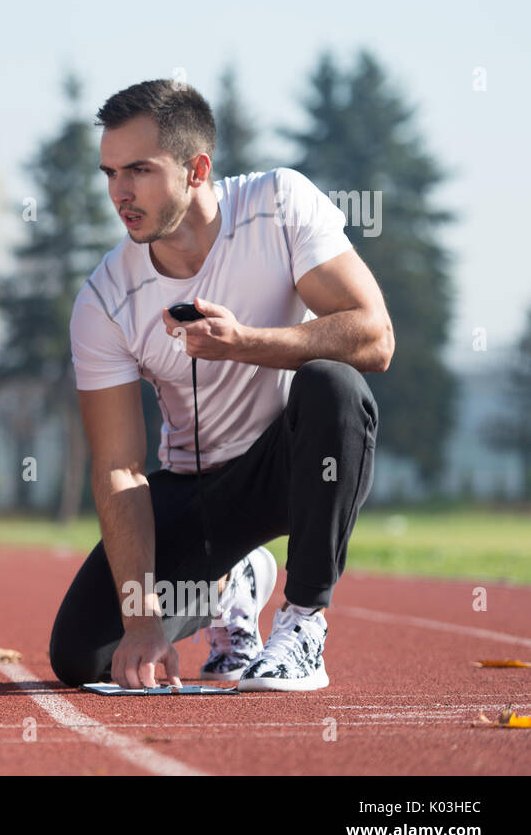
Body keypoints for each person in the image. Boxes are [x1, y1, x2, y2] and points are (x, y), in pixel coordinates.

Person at [50, 79, 392, 692]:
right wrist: (143, 621)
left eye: (139, 171)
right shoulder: (104, 299)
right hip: (196, 491)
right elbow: (120, 468)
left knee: (334, 387)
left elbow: (374, 337)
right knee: (81, 656)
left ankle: (303, 622)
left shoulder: (281, 204)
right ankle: (239, 582)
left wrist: (246, 343)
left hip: (295, 464)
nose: (119, 193)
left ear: (196, 169)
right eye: (109, 173)